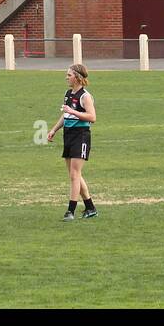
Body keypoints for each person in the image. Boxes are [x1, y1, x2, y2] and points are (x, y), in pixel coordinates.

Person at [46, 63, 97, 220]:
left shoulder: (85, 96)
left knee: (75, 174)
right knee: (74, 174)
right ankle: (90, 207)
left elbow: (92, 117)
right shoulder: (68, 94)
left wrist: (73, 111)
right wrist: (54, 130)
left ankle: (70, 211)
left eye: (69, 75)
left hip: (80, 136)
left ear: (77, 77)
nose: (66, 77)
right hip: (68, 135)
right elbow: (65, 116)